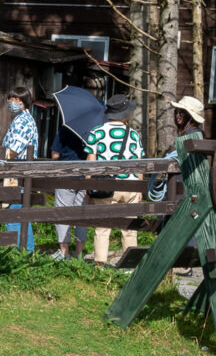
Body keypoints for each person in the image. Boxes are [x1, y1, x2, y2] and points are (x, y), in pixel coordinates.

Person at [86, 94, 146, 265]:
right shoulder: (134, 135)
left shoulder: (96, 133)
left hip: (106, 185)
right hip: (131, 185)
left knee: (103, 228)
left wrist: (87, 184)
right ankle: (129, 265)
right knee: (129, 229)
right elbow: (139, 163)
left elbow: (91, 161)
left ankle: (100, 265)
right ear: (125, 114)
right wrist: (140, 188)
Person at [147, 95, 205, 203]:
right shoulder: (193, 133)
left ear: (190, 116)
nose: (178, 115)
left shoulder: (192, 134)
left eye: (181, 112)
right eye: (176, 112)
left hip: (185, 188)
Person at [2, 85, 38, 252]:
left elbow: (14, 149)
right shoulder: (22, 119)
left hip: (16, 173)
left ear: (24, 102)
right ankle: (25, 251)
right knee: (20, 215)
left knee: (14, 214)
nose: (13, 102)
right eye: (11, 99)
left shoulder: (23, 121)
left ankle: (22, 252)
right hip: (20, 172)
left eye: (17, 100)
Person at [49, 119, 88, 259]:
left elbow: (55, 154)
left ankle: (64, 252)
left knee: (62, 213)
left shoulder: (66, 128)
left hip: (66, 174)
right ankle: (79, 252)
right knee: (82, 214)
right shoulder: (93, 130)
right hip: (85, 176)